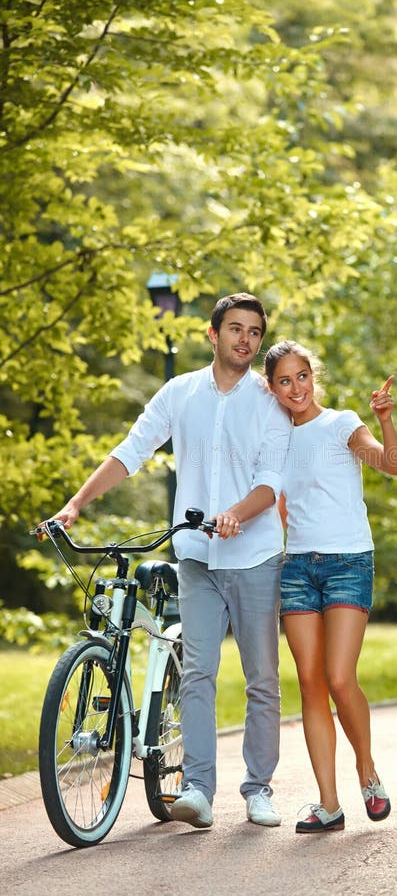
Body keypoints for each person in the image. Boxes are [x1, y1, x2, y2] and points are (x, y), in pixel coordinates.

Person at [42, 294, 292, 830]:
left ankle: (259, 788)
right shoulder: (180, 393)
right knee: (197, 671)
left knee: (262, 679)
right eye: (235, 329)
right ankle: (199, 788)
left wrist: (235, 514)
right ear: (213, 334)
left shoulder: (270, 401)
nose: (245, 340)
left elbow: (272, 483)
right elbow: (132, 451)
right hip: (198, 557)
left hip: (255, 557)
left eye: (253, 331)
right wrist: (77, 502)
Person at [263, 340, 397, 833]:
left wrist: (384, 420)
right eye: (284, 381)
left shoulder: (342, 422)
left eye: (301, 376)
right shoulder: (277, 440)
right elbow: (279, 501)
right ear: (273, 389)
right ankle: (329, 803)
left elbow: (391, 464)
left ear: (312, 375)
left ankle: (366, 769)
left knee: (341, 678)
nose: (295, 387)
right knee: (310, 683)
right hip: (298, 566)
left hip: (349, 561)